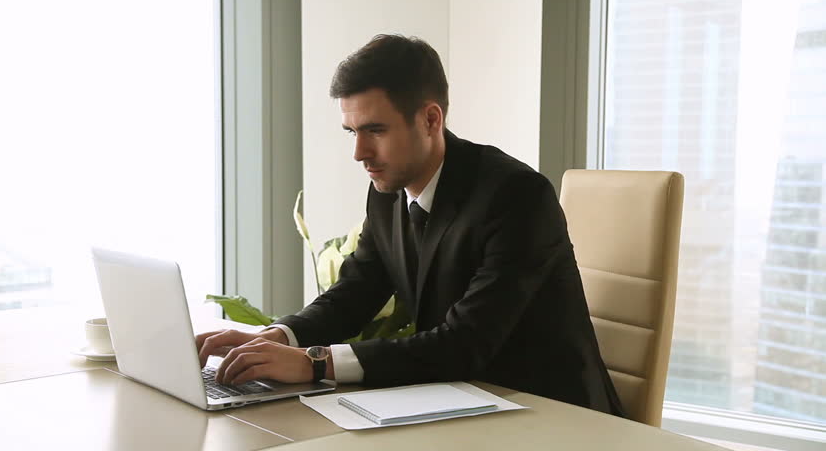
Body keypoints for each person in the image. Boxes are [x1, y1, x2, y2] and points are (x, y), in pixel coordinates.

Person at [196, 34, 624, 416]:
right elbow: (354, 295)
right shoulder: (387, 194)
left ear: (431, 120)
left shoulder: (516, 196)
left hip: (547, 415)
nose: (359, 153)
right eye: (352, 132)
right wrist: (279, 337)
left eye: (375, 130)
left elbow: (464, 343)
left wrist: (317, 361)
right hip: (453, 403)